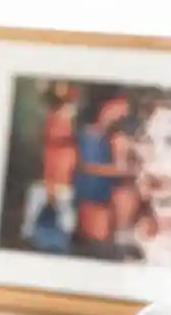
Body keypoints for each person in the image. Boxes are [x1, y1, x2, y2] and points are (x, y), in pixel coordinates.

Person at [73, 96, 132, 257]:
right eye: (117, 111)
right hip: (89, 197)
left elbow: (119, 168)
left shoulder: (116, 138)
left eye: (123, 114)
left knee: (101, 244)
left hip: (103, 199)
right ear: (105, 108)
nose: (119, 116)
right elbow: (81, 166)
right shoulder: (87, 135)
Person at [22, 86, 80, 240]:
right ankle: (29, 234)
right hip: (50, 181)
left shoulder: (69, 148)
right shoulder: (52, 123)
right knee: (37, 194)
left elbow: (65, 171)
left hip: (61, 184)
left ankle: (65, 236)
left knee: (63, 202)